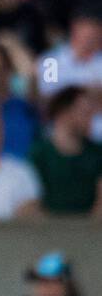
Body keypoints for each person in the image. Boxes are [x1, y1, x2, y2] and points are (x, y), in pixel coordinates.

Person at [29, 85, 102, 215]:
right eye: (85, 113)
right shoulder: (39, 155)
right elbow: (31, 203)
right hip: (48, 231)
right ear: (63, 113)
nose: (91, 119)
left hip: (91, 231)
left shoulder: (98, 153)